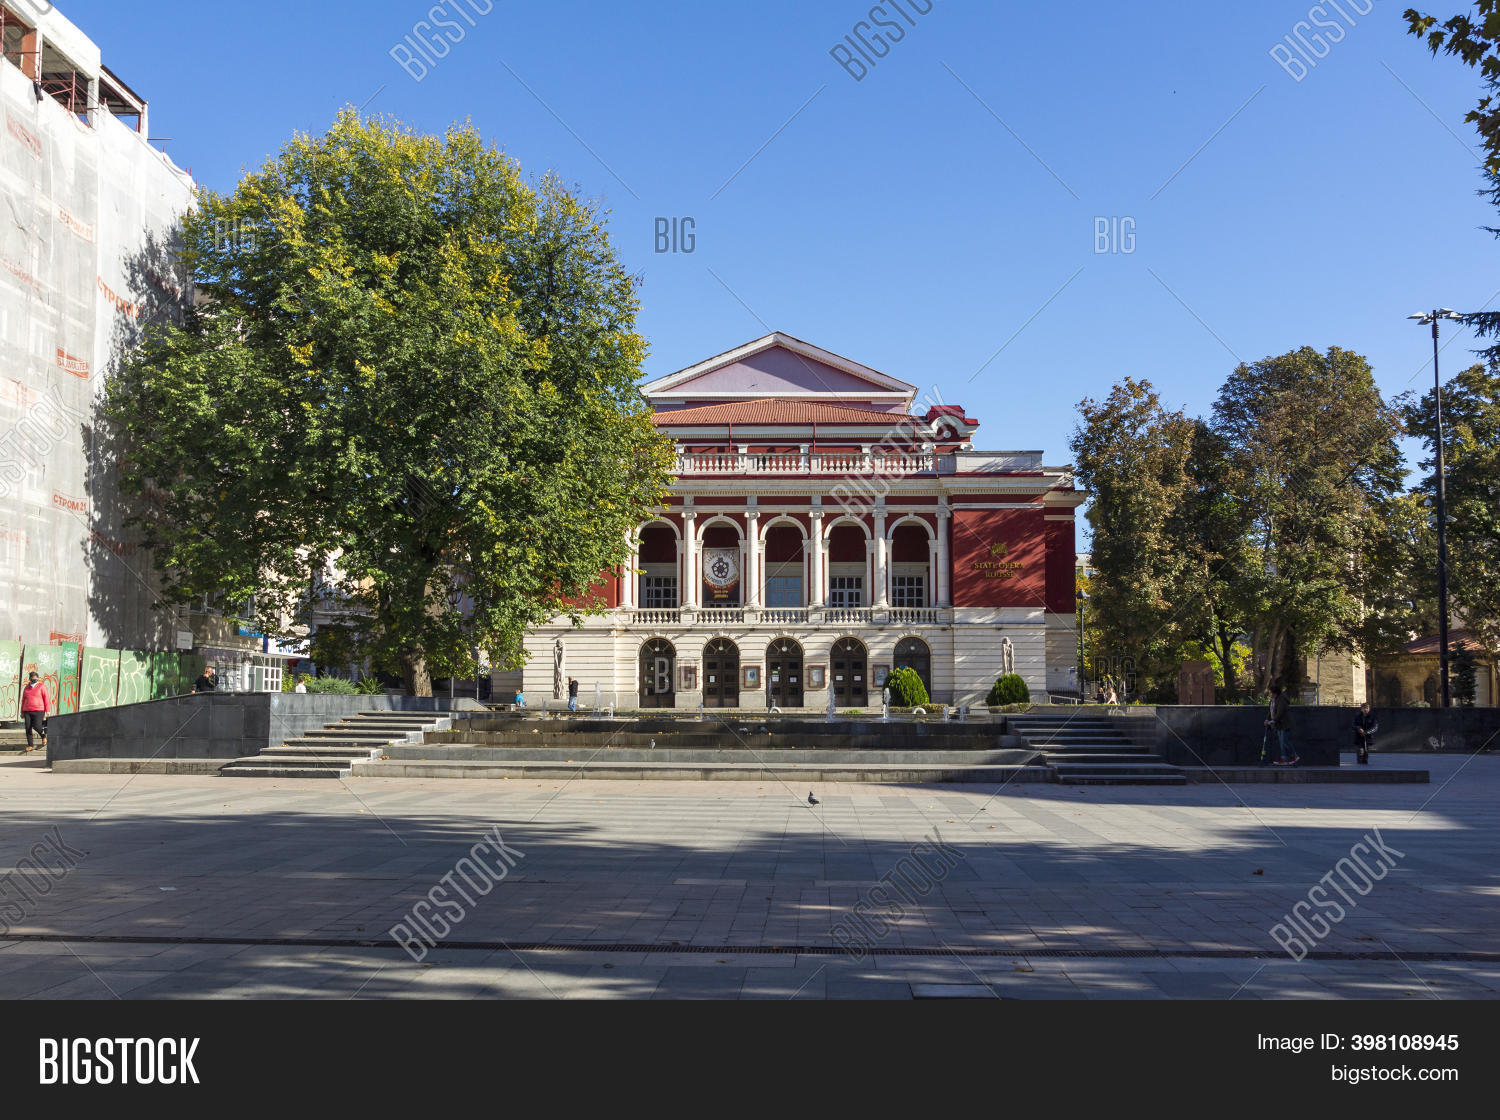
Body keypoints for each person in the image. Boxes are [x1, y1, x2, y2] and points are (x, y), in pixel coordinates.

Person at [1266, 684, 1299, 766]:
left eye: (1270, 693)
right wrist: (1267, 719)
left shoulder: (1282, 700)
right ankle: (1284, 758)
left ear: (1275, 693)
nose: (1269, 694)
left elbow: (1280, 713)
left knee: (1285, 740)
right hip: (1279, 725)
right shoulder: (1273, 700)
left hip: (1285, 723)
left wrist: (1273, 721)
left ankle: (1294, 756)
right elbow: (1270, 711)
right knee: (1281, 742)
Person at [20, 671, 49, 753]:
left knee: (37, 726)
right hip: (27, 710)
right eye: (33, 679)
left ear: (38, 679)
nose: (34, 680)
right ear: (29, 679)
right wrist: (22, 711)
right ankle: (30, 745)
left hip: (39, 710)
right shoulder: (26, 688)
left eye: (36, 679)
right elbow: (23, 700)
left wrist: (48, 710)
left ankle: (43, 736)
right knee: (28, 728)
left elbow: (46, 698)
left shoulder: (42, 687)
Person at [1353, 701, 1378, 765]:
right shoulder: (1358, 717)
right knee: (1360, 752)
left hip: (1368, 738)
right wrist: (1359, 729)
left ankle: (1365, 766)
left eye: (1367, 708)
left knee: (1366, 753)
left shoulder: (1372, 717)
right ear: (1361, 709)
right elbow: (1354, 725)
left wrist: (1366, 732)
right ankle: (1360, 765)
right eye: (1364, 708)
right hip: (1359, 737)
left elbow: (1375, 727)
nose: (1365, 709)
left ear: (1369, 709)